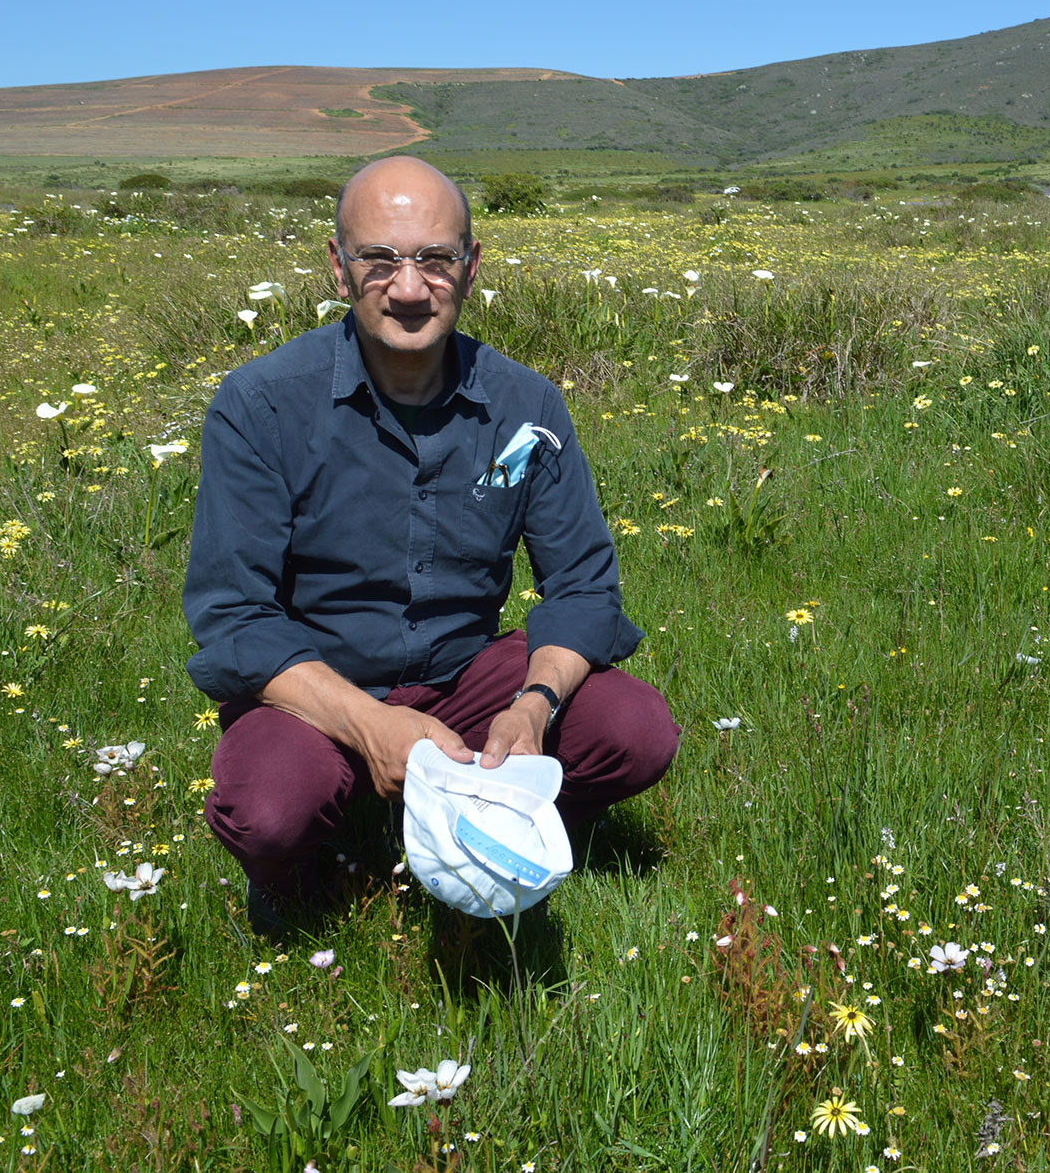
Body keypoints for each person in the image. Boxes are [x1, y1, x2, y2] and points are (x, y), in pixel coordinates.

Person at [183, 155, 679, 932]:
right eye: (379, 260)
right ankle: (310, 873)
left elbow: (583, 589)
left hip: (465, 678)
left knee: (635, 731)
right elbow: (235, 618)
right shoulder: (262, 405)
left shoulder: (525, 409)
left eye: (435, 260)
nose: (410, 288)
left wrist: (533, 708)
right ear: (338, 266)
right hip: (316, 689)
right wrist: (368, 725)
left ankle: (515, 826)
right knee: (271, 810)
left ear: (471, 267)